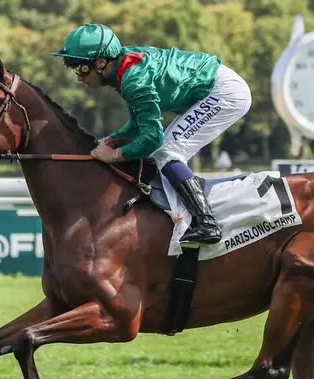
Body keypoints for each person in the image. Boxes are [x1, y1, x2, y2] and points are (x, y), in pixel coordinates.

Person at [52, 23, 252, 245]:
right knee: (162, 151)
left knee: (167, 151)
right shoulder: (123, 68)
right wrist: (109, 140)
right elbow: (138, 125)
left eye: (82, 69)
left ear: (100, 62)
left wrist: (114, 154)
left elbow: (152, 137)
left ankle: (206, 224)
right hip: (217, 88)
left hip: (224, 92)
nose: (79, 77)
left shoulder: (133, 79)